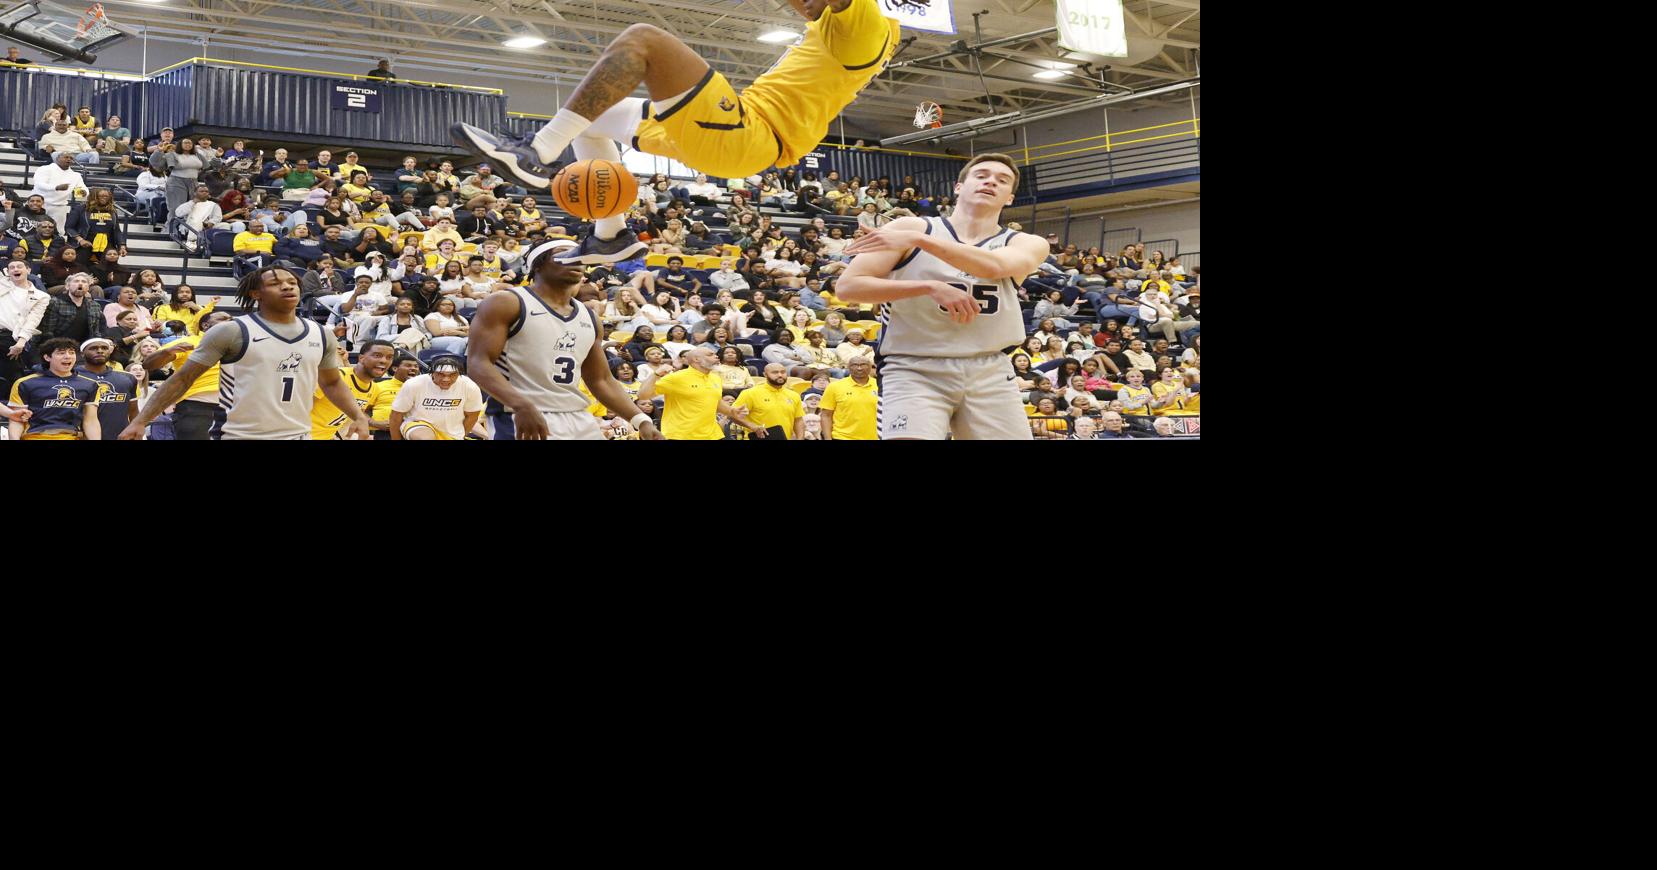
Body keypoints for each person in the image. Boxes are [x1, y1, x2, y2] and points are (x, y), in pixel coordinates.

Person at [453, 0, 900, 266]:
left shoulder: (864, 23)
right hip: (738, 134)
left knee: (643, 39)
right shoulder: (840, 29)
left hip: (748, 133)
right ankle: (610, 238)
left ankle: (537, 154)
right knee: (593, 108)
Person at [835, 153, 1047, 440]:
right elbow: (849, 287)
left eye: (1002, 180)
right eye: (981, 175)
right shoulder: (909, 228)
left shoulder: (1026, 242)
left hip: (990, 369)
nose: (990, 182)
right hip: (914, 366)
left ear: (1009, 198)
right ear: (959, 187)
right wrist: (927, 287)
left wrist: (920, 242)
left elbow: (995, 266)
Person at [119, 268, 371, 440]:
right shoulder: (232, 331)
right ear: (255, 294)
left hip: (298, 432)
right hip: (240, 432)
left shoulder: (321, 333)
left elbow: (332, 382)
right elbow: (181, 379)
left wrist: (358, 416)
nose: (287, 287)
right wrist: (141, 419)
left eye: (292, 283)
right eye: (275, 283)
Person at [468, 239, 663, 440]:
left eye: (580, 256)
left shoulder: (589, 317)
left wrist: (641, 420)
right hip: (522, 413)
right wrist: (520, 404)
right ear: (538, 264)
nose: (576, 260)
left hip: (578, 417)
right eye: (564, 254)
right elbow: (478, 363)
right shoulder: (507, 302)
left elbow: (601, 380)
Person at [636, 345, 764, 439]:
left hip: (713, 434)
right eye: (710, 354)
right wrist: (656, 374)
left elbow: (716, 403)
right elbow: (643, 395)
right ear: (696, 359)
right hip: (681, 435)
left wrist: (732, 411)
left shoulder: (715, 377)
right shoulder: (677, 377)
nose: (716, 356)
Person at [7, 338, 100, 440]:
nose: (68, 356)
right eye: (61, 353)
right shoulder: (24, 383)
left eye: (72, 353)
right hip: (34, 437)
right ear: (47, 357)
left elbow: (91, 421)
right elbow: (16, 420)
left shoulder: (90, 384)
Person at [310, 338, 394, 440]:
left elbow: (354, 415)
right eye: (377, 355)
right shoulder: (337, 377)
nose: (384, 361)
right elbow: (300, 407)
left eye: (389, 357)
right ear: (361, 358)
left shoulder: (374, 388)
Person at [390, 357, 487, 441]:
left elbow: (472, 416)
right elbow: (396, 415)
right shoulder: (414, 384)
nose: (446, 379)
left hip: (452, 432)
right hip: (417, 424)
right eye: (441, 374)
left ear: (459, 374)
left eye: (452, 374)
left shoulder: (469, 386)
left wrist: (461, 435)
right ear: (432, 373)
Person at [1, 259, 51, 401]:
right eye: (11, 267)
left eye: (19, 266)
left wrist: (21, 342)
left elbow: (32, 321)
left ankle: (11, 408)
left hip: (10, 337)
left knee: (13, 374)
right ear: (7, 272)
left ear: (28, 270)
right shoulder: (2, 284)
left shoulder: (42, 296)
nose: (15, 269)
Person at [73, 337, 138, 440]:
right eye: (93, 348)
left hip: (120, 436)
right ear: (82, 354)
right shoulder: (72, 377)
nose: (100, 351)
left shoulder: (127, 377)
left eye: (104, 348)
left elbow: (133, 411)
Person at [732, 363, 807, 440]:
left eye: (783, 372)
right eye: (775, 372)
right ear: (765, 374)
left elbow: (798, 420)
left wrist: (800, 438)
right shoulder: (750, 393)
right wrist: (751, 426)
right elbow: (732, 414)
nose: (780, 375)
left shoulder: (794, 395)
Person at [818, 355, 878, 440]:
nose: (859, 368)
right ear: (848, 367)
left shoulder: (880, 385)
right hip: (842, 437)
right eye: (855, 365)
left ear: (870, 367)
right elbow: (826, 415)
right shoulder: (834, 386)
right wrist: (827, 438)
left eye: (863, 364)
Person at [29, 151, 86, 230]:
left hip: (59, 207)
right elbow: (39, 184)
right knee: (33, 229)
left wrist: (83, 192)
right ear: (57, 159)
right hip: (39, 204)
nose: (69, 159)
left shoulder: (76, 175)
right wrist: (56, 187)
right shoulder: (45, 169)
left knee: (58, 231)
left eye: (71, 158)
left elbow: (83, 189)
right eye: (66, 157)